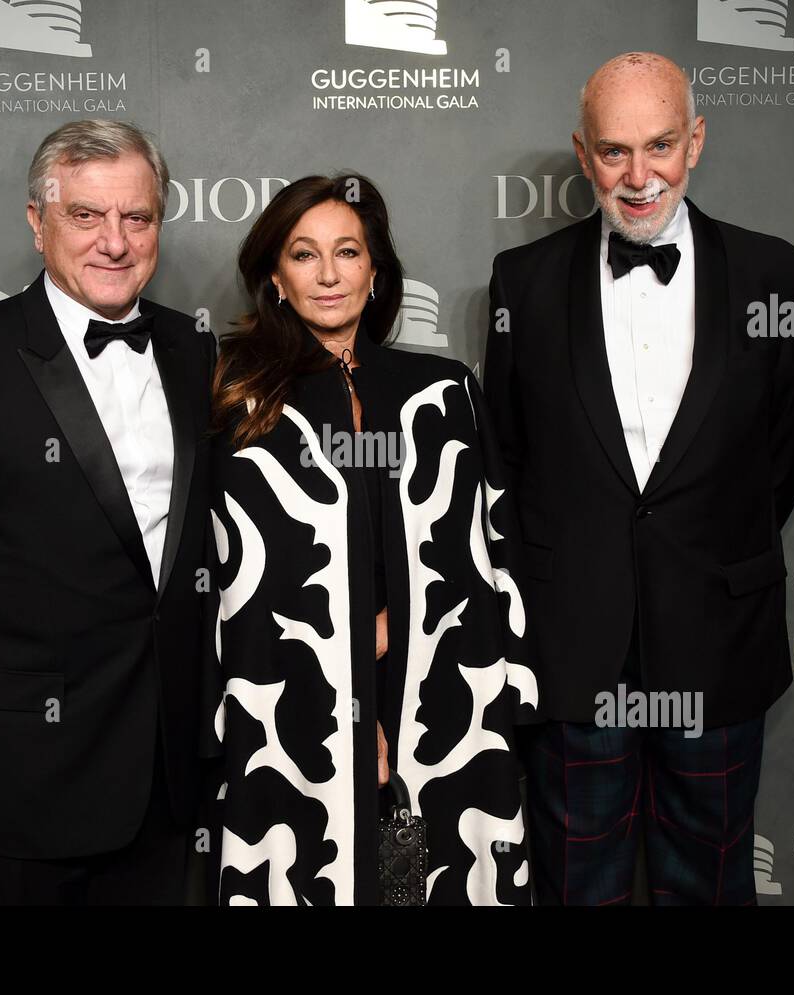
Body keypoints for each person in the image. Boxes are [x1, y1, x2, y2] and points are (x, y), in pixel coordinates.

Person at [484, 52, 794, 905]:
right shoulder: (521, 285)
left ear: (696, 140)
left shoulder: (782, 277)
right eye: (613, 151)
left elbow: (785, 455)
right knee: (579, 881)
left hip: (718, 631)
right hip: (574, 643)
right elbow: (511, 461)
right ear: (581, 152)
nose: (639, 177)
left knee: (709, 880)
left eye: (661, 144)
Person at [0, 120, 216, 905]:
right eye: (85, 216)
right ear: (37, 221)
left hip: (169, 775)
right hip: (19, 781)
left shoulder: (194, 351)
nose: (115, 242)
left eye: (138, 217)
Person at [205, 173, 538, 906]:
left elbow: (483, 558)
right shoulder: (235, 397)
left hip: (431, 701)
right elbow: (224, 576)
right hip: (294, 712)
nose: (328, 274)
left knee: (416, 881)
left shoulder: (443, 391)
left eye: (347, 252)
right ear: (274, 276)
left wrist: (391, 656)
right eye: (303, 254)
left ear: (375, 269)